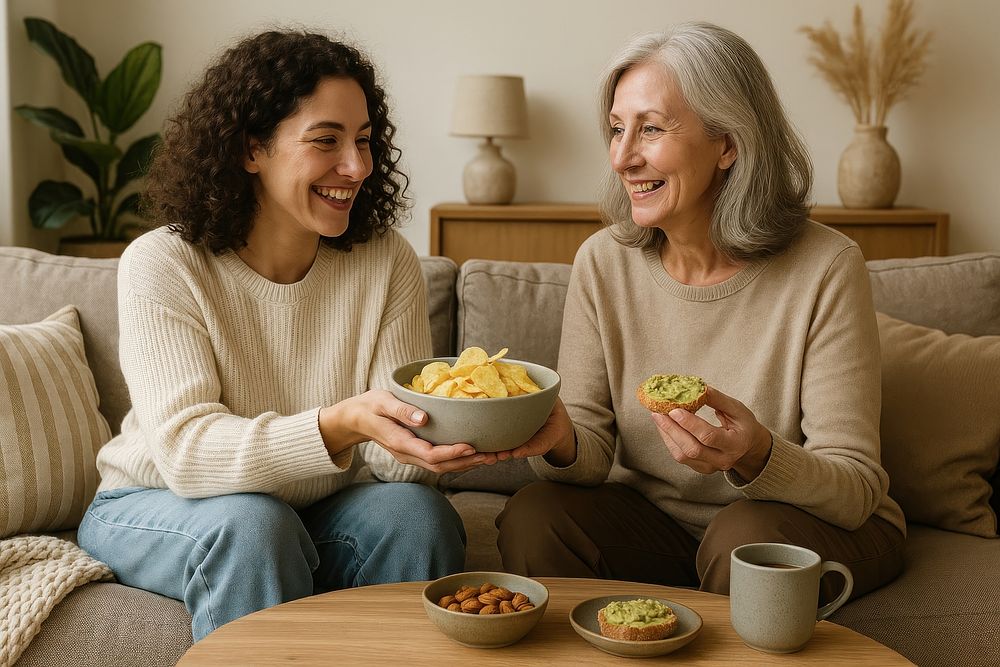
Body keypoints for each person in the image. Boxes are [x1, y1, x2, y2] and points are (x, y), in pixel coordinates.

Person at [77, 29, 491, 641]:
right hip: (158, 500)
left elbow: (389, 460)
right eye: (326, 141)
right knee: (251, 525)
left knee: (415, 516)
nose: (356, 167)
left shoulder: (386, 261)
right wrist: (340, 423)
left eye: (364, 142)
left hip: (314, 505)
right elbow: (187, 454)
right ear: (251, 149)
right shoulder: (162, 263)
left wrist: (436, 436)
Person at [494, 21, 906, 600]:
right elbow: (589, 454)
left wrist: (758, 452)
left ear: (728, 144)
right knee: (537, 513)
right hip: (661, 527)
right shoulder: (603, 262)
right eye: (616, 130)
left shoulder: (827, 266)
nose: (623, 157)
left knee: (742, 538)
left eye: (651, 130)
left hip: (806, 524)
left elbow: (856, 487)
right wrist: (560, 437)